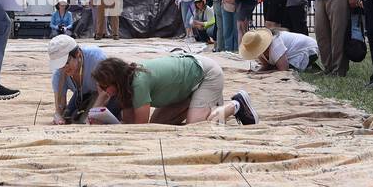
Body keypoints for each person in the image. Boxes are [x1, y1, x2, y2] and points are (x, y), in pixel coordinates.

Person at [92, 54, 257, 126]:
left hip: (206, 74)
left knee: (196, 125)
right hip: (187, 82)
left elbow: (139, 126)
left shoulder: (137, 82)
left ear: (116, 80)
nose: (105, 91)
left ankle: (237, 105)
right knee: (158, 124)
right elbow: (128, 121)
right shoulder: (126, 84)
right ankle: (198, 105)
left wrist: (114, 126)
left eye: (105, 86)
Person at [48, 34, 107, 123]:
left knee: (89, 120)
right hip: (82, 94)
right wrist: (58, 116)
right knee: (69, 117)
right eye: (59, 65)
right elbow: (59, 107)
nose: (64, 68)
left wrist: (91, 116)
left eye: (66, 63)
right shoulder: (58, 74)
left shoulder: (96, 59)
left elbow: (105, 94)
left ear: (78, 54)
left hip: (107, 92)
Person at [239, 26, 319, 73]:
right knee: (274, 67)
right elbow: (266, 65)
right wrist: (257, 73)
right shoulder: (260, 50)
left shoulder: (275, 44)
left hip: (309, 48)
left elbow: (283, 69)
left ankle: (310, 66)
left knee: (285, 70)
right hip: (295, 50)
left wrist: (266, 72)